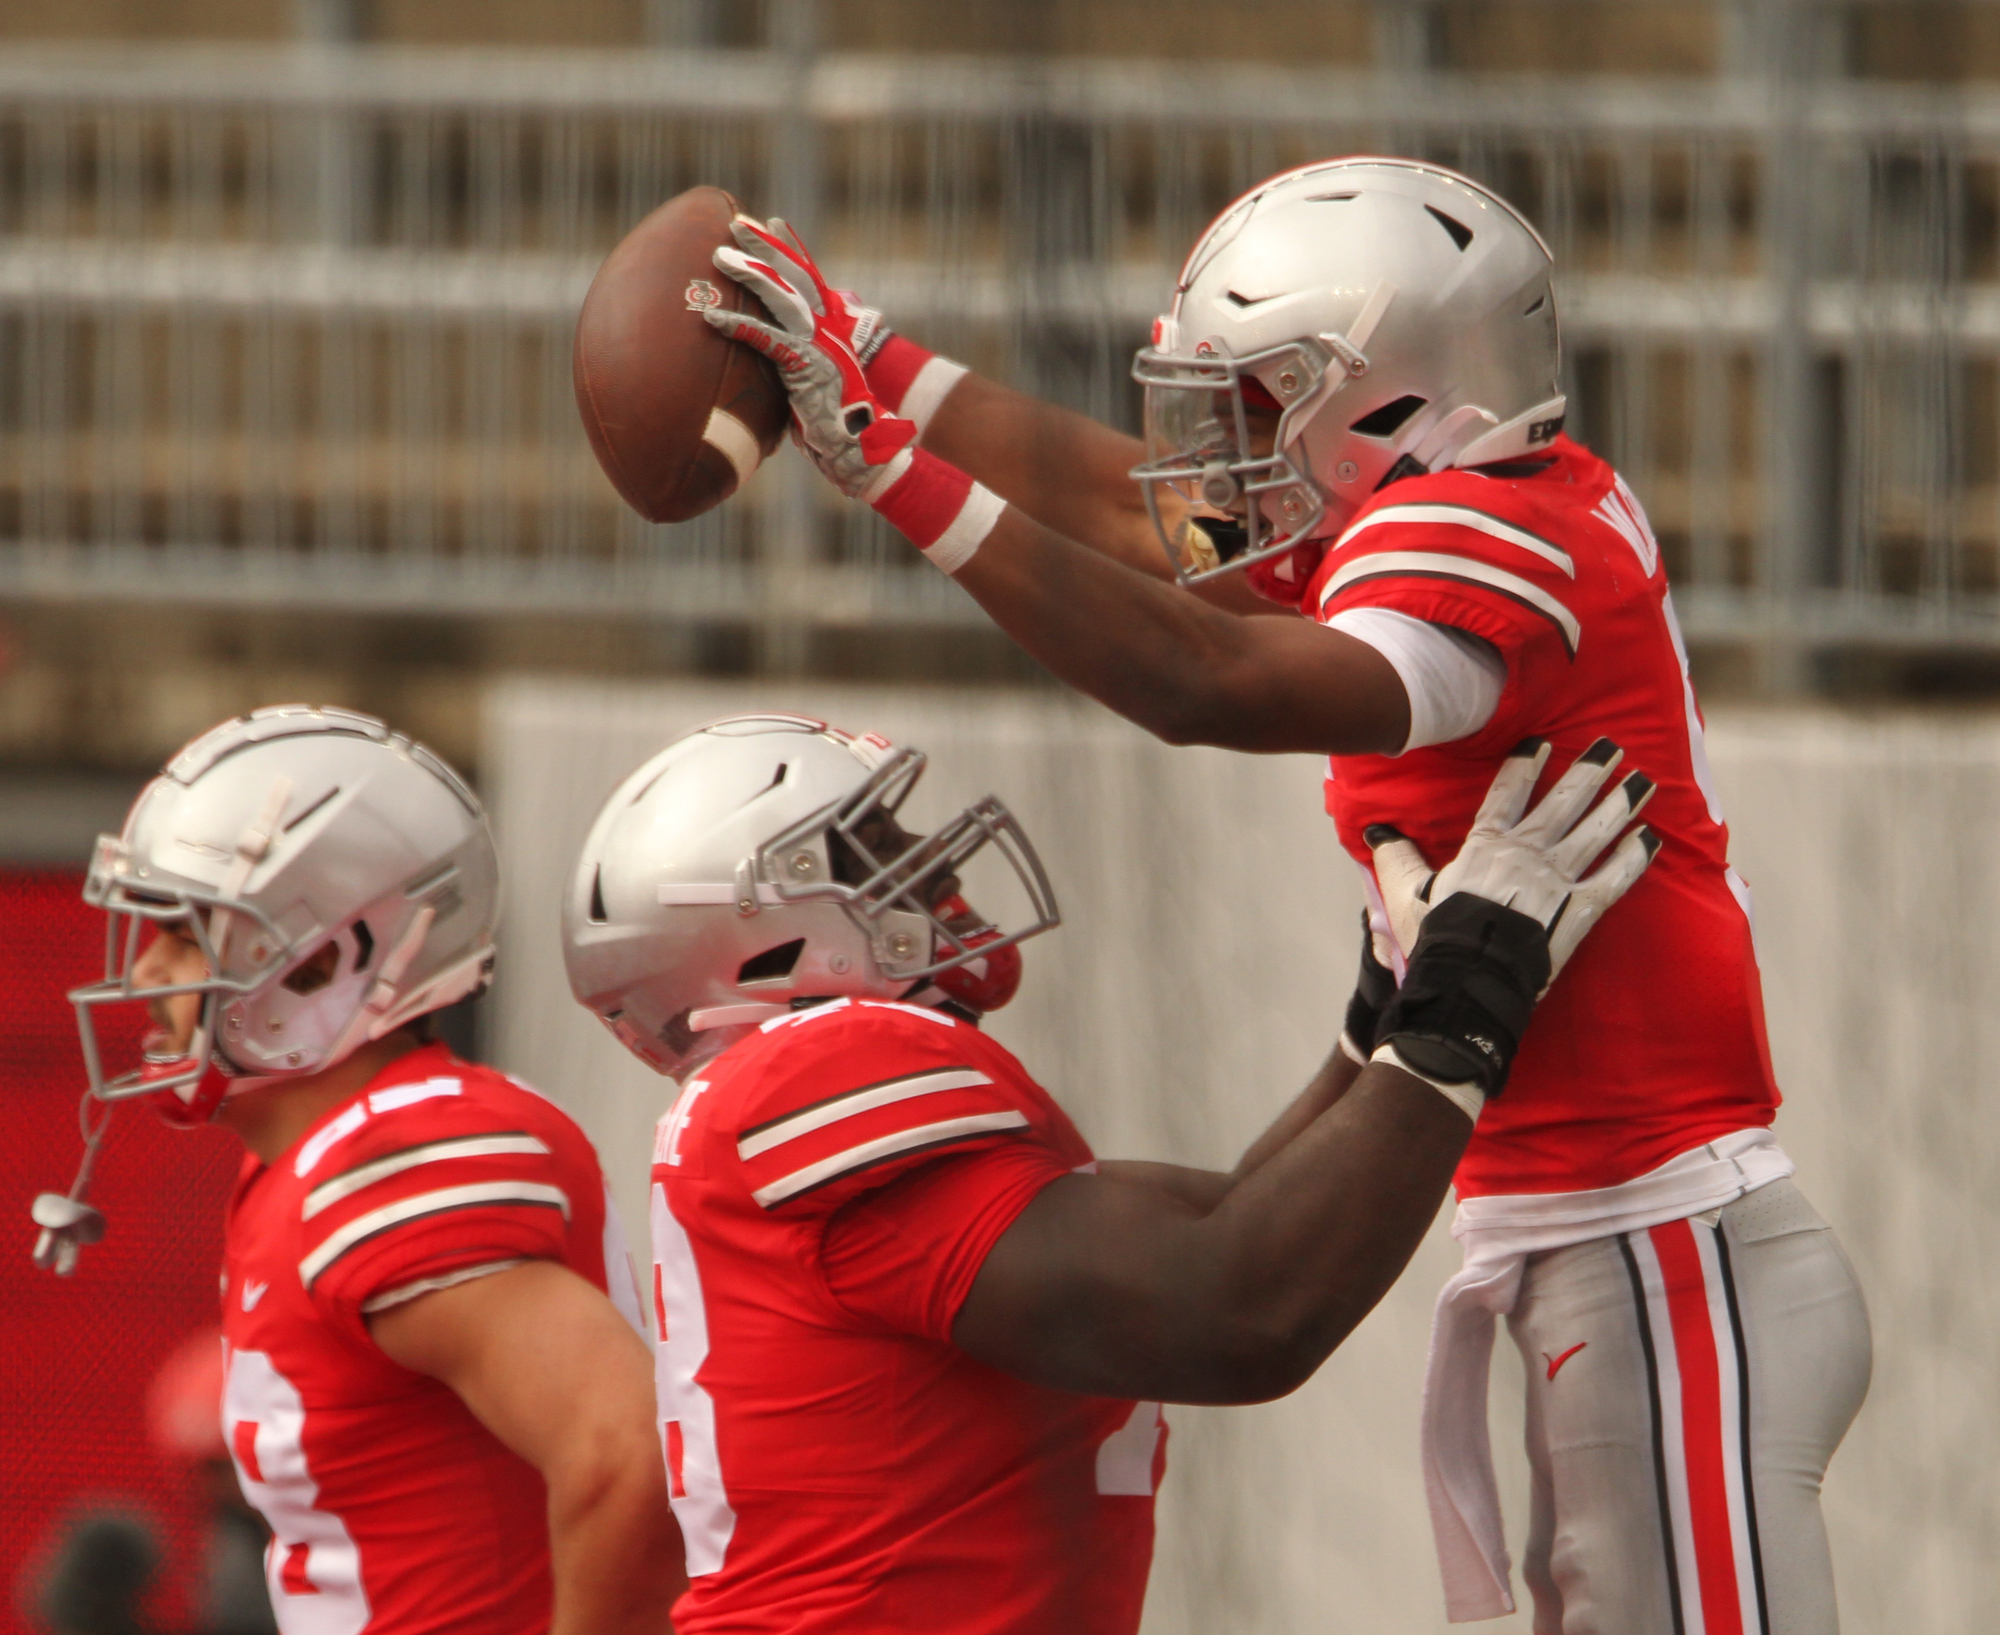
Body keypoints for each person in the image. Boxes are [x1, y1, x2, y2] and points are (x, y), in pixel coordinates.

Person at [699, 163, 1873, 1634]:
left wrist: (893, 475)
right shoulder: (1473, 507)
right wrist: (879, 370)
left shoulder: (1482, 529)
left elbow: (1212, 677)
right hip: (1615, 1246)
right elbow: (1145, 531)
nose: (1219, 447)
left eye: (1260, 402)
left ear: (1394, 394)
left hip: (1666, 1243)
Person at [561, 712, 1655, 1635]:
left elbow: (1224, 1217)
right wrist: (1460, 1012)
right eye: (869, 849)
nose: (932, 866)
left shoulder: (786, 1101)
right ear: (758, 943)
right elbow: (1239, 1307)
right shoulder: (816, 1070)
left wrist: (1379, 1027)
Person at [47, 704, 686, 1635]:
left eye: (182, 933)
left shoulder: (393, 1159)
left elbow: (626, 1454)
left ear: (319, 959)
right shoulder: (322, 1159)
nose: (146, 972)